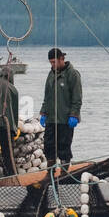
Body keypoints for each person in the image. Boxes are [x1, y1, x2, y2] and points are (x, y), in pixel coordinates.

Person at [40, 47, 82, 178]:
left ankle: (64, 172)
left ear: (62, 59)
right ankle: (50, 172)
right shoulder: (51, 74)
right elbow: (47, 96)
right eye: (51, 62)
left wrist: (74, 115)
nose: (53, 65)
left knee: (64, 146)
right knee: (49, 146)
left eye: (54, 62)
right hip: (51, 118)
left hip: (65, 119)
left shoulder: (73, 74)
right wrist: (43, 112)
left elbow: (77, 97)